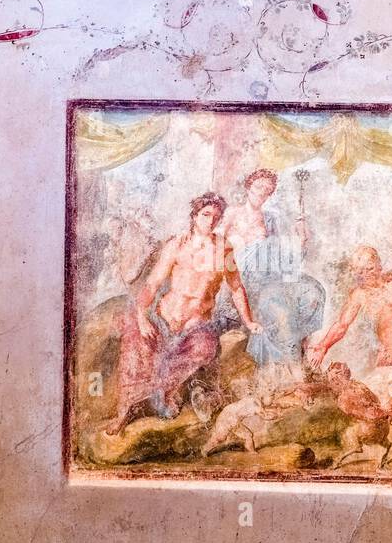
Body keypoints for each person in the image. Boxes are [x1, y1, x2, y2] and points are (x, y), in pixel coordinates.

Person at [107, 192, 261, 436]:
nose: (210, 221)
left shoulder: (225, 249)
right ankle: (123, 411)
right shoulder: (177, 244)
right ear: (195, 215)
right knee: (136, 343)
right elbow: (152, 284)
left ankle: (161, 393)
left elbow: (236, 287)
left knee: (205, 348)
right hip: (164, 318)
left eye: (216, 216)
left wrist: (249, 320)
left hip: (196, 325)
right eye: (205, 214)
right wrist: (141, 316)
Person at [217, 168, 325, 370]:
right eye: (259, 187)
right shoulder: (233, 212)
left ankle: (297, 359)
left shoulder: (269, 220)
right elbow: (216, 243)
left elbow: (278, 255)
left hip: (268, 275)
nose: (262, 193)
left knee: (312, 291)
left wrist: (300, 240)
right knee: (277, 310)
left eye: (267, 190)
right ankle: (280, 367)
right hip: (240, 274)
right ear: (248, 187)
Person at [306, 245, 392, 370]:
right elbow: (342, 325)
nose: (366, 274)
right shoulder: (360, 294)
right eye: (360, 272)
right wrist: (323, 346)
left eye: (370, 269)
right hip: (389, 360)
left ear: (379, 266)